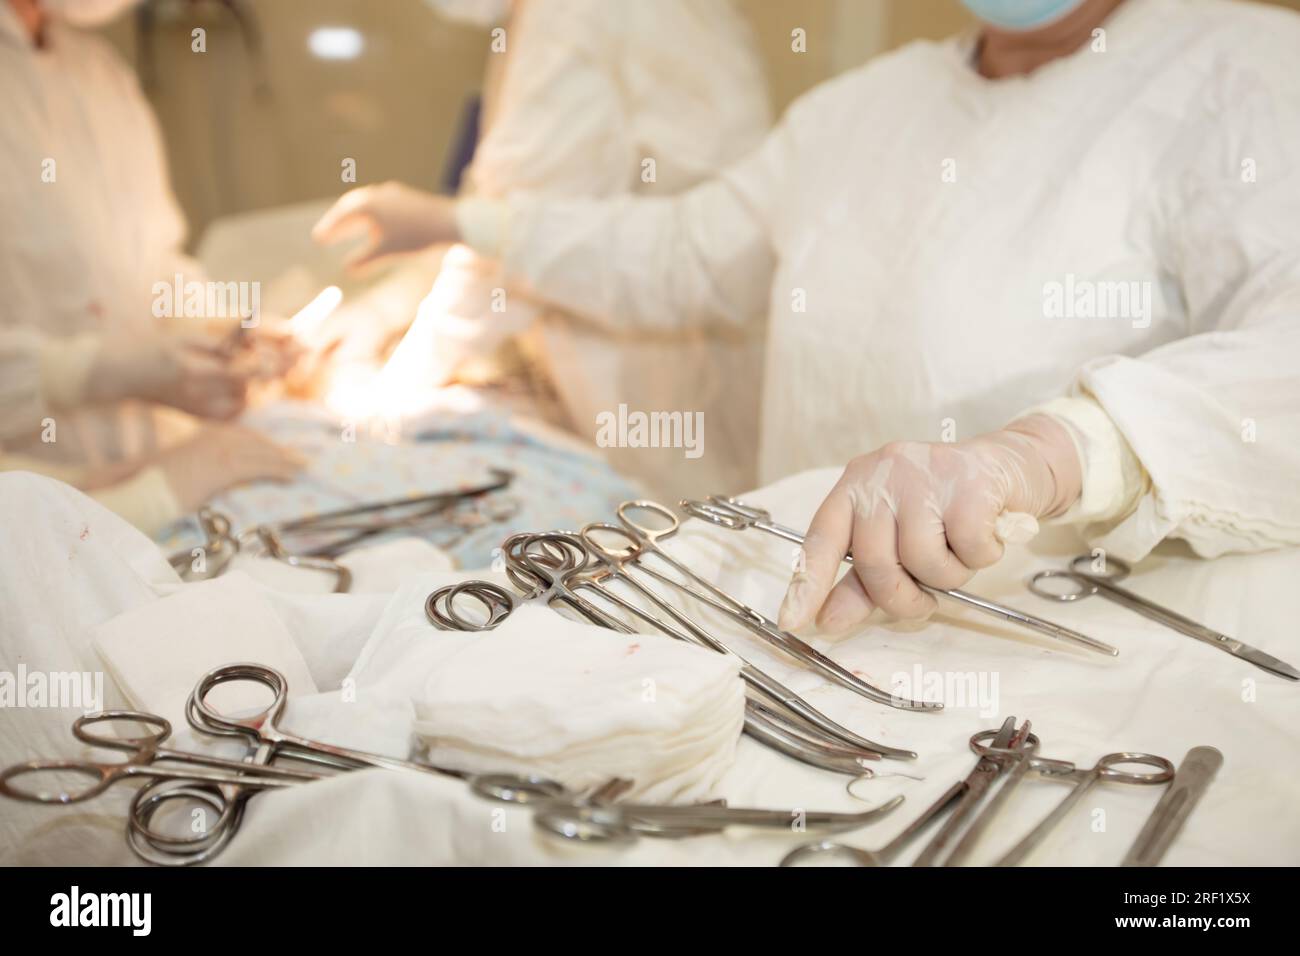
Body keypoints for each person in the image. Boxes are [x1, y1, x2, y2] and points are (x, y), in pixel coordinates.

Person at [315, 0, 1300, 630]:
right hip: (812, 630)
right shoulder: (864, 105)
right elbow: (683, 254)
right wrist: (459, 219)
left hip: (1099, 653)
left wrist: (1039, 455)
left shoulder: (1245, 67)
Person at [322, 0, 773, 497]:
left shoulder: (571, 13)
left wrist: (385, 396)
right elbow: (494, 215)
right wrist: (378, 312)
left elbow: (505, 237)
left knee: (681, 526)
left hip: (661, 355)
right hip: (689, 331)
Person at [0, 0, 302, 535]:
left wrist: (214, 330)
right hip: (35, 519)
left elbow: (151, 260)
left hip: (134, 476)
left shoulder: (97, 71)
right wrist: (92, 375)